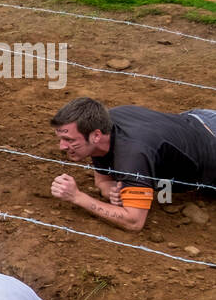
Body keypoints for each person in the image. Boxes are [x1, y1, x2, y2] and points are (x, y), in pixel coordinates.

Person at [48, 97, 216, 232]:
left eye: (69, 140)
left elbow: (134, 221)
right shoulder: (102, 124)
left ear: (96, 136)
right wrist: (112, 191)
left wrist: (77, 197)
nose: (62, 147)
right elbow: (103, 180)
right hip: (200, 119)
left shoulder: (133, 154)